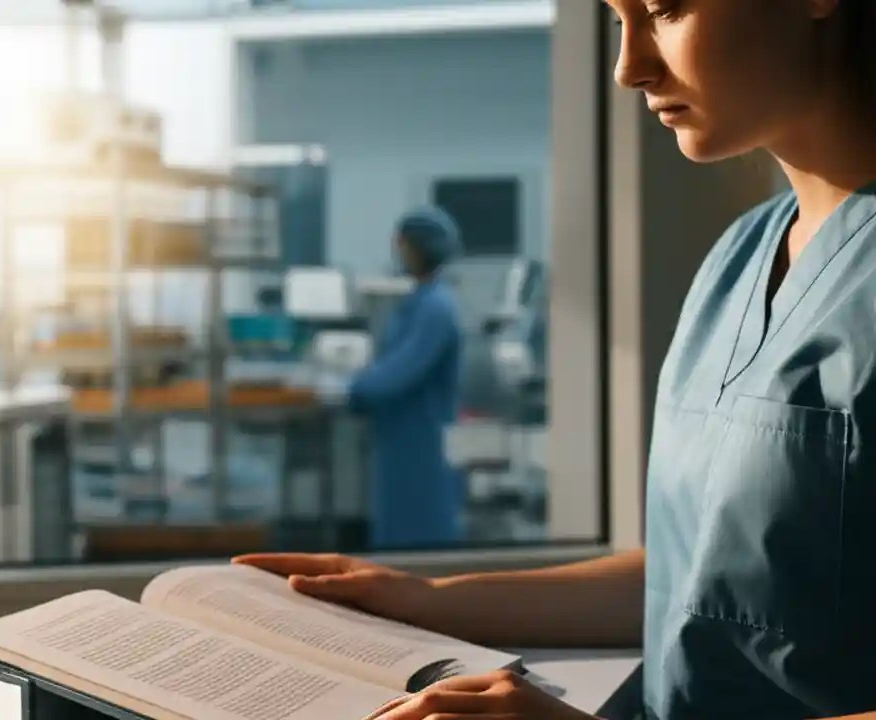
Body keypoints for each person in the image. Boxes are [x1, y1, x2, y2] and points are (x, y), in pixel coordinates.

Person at [237, 0, 876, 717]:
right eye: (619, 24)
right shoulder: (739, 256)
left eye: (663, 10)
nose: (628, 68)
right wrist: (423, 600)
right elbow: (707, 580)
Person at [348, 207, 464, 550]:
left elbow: (401, 371)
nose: (398, 251)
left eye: (402, 244)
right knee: (398, 536)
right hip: (400, 437)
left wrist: (354, 389)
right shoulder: (419, 302)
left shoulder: (436, 309)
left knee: (420, 544)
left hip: (420, 442)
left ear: (417, 248)